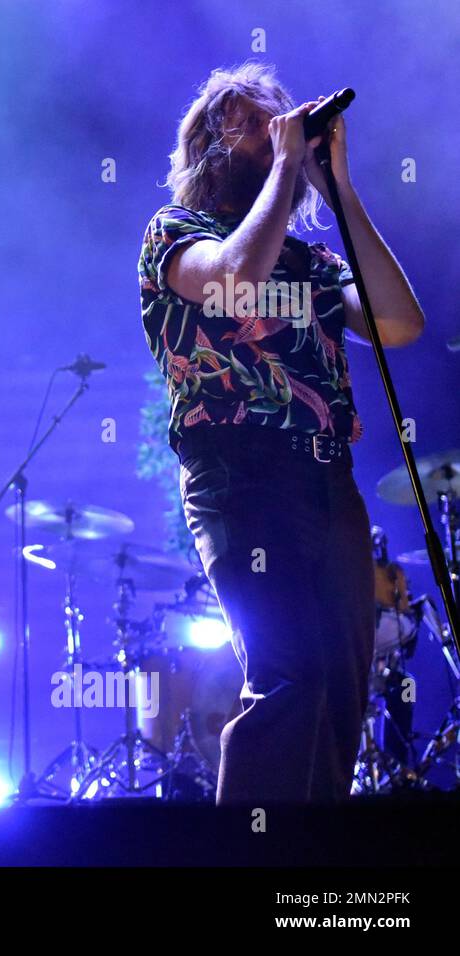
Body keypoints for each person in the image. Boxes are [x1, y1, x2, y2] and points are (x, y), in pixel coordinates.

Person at [138, 63, 425, 803]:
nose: (275, 123)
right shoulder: (177, 235)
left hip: (327, 482)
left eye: (280, 114)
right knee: (290, 675)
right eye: (252, 116)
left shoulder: (312, 262)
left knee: (337, 694)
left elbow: (399, 323)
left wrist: (339, 191)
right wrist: (290, 157)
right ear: (208, 142)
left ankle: (309, 879)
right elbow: (235, 276)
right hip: (241, 479)